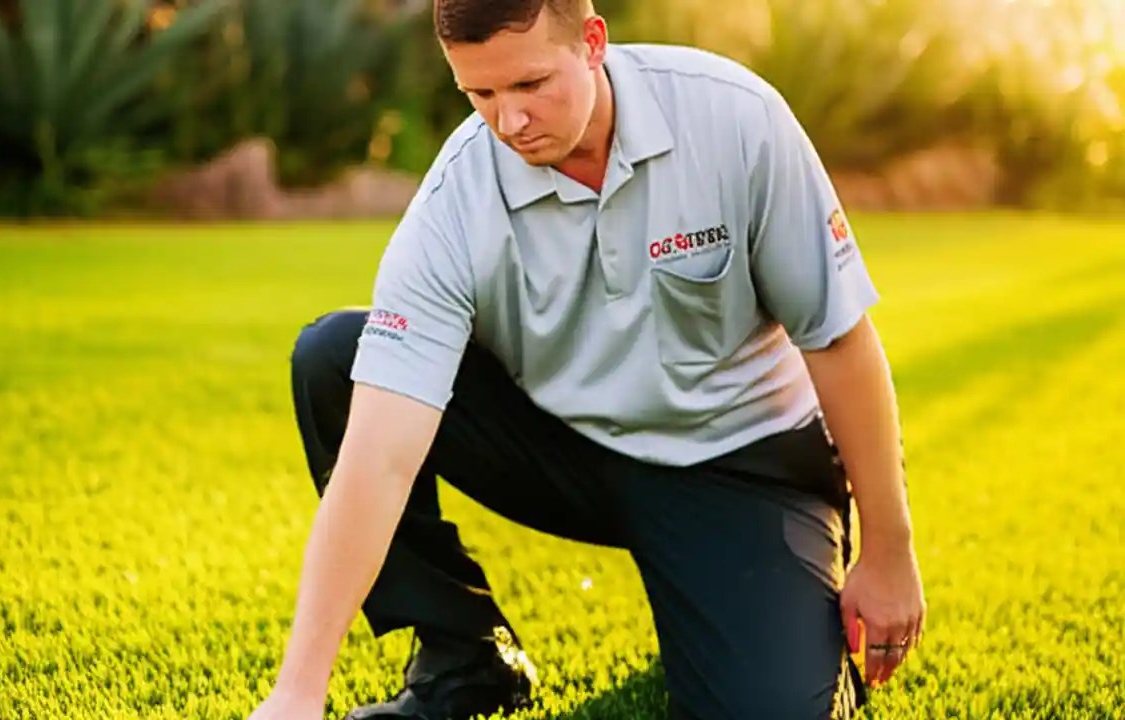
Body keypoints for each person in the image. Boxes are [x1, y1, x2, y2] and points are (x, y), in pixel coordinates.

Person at [249, 1, 926, 718]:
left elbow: (839, 339)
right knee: (338, 361)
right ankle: (465, 662)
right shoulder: (457, 200)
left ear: (593, 42)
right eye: (481, 95)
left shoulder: (735, 120)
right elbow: (380, 453)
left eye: (531, 84)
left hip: (740, 465)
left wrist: (888, 550)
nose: (509, 122)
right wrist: (299, 691)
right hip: (569, 451)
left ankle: (752, 613)